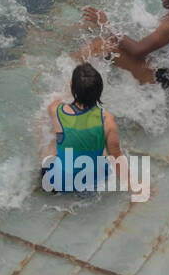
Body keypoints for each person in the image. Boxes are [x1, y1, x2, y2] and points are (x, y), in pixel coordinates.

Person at [41, 63, 125, 192]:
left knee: (48, 128)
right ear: (100, 90)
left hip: (58, 184)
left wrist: (68, 92)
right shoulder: (107, 119)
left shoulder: (56, 110)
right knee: (100, 144)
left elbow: (55, 102)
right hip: (96, 180)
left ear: (72, 88)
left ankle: (46, 157)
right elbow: (117, 157)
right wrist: (135, 187)